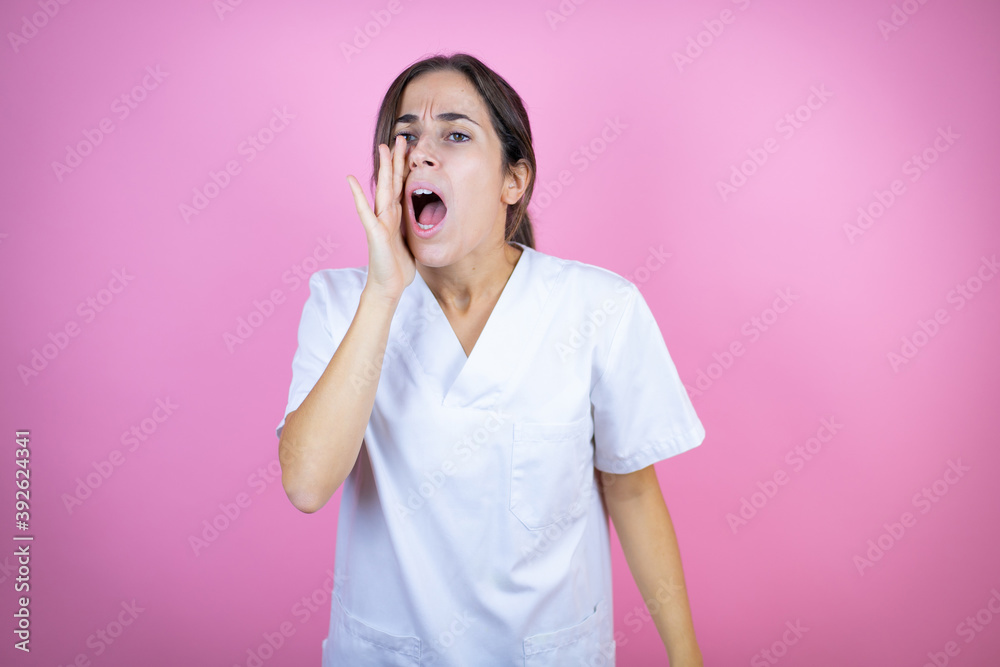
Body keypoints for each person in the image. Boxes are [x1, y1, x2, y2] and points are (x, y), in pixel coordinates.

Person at [276, 52, 706, 666]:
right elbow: (307, 483)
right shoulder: (343, 302)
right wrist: (383, 292)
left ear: (514, 181)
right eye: (405, 137)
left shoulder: (599, 308)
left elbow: (632, 494)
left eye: (454, 134)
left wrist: (686, 657)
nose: (422, 153)